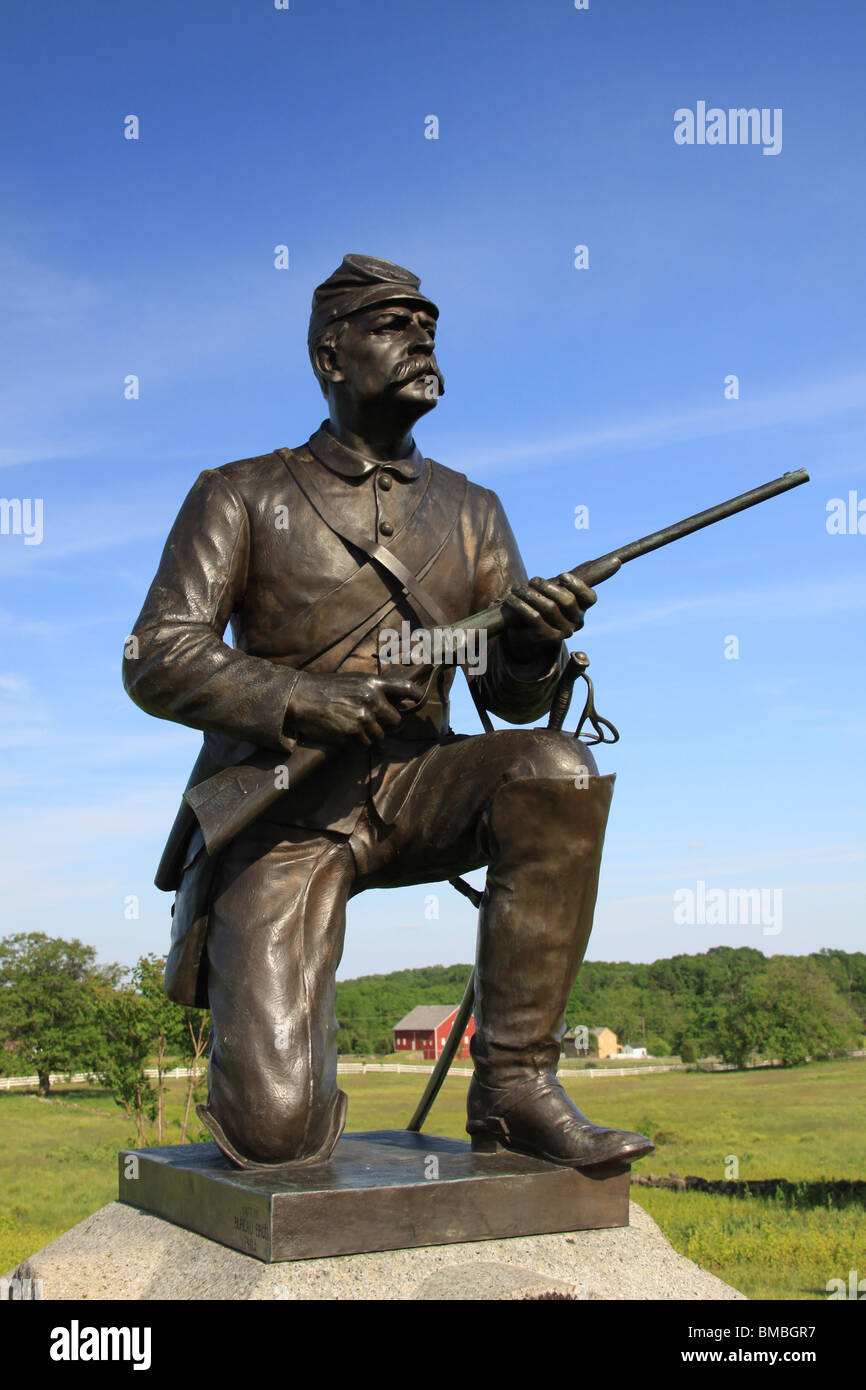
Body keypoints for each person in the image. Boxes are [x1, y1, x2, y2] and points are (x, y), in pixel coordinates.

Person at [123, 254, 653, 1171]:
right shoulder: (240, 491)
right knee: (275, 1136)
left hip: (419, 786)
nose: (421, 342)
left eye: (429, 328)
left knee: (555, 769)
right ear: (330, 357)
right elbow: (157, 653)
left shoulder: (473, 510)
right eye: (392, 326)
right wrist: (304, 699)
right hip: (283, 807)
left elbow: (506, 696)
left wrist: (533, 646)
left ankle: (515, 1086)